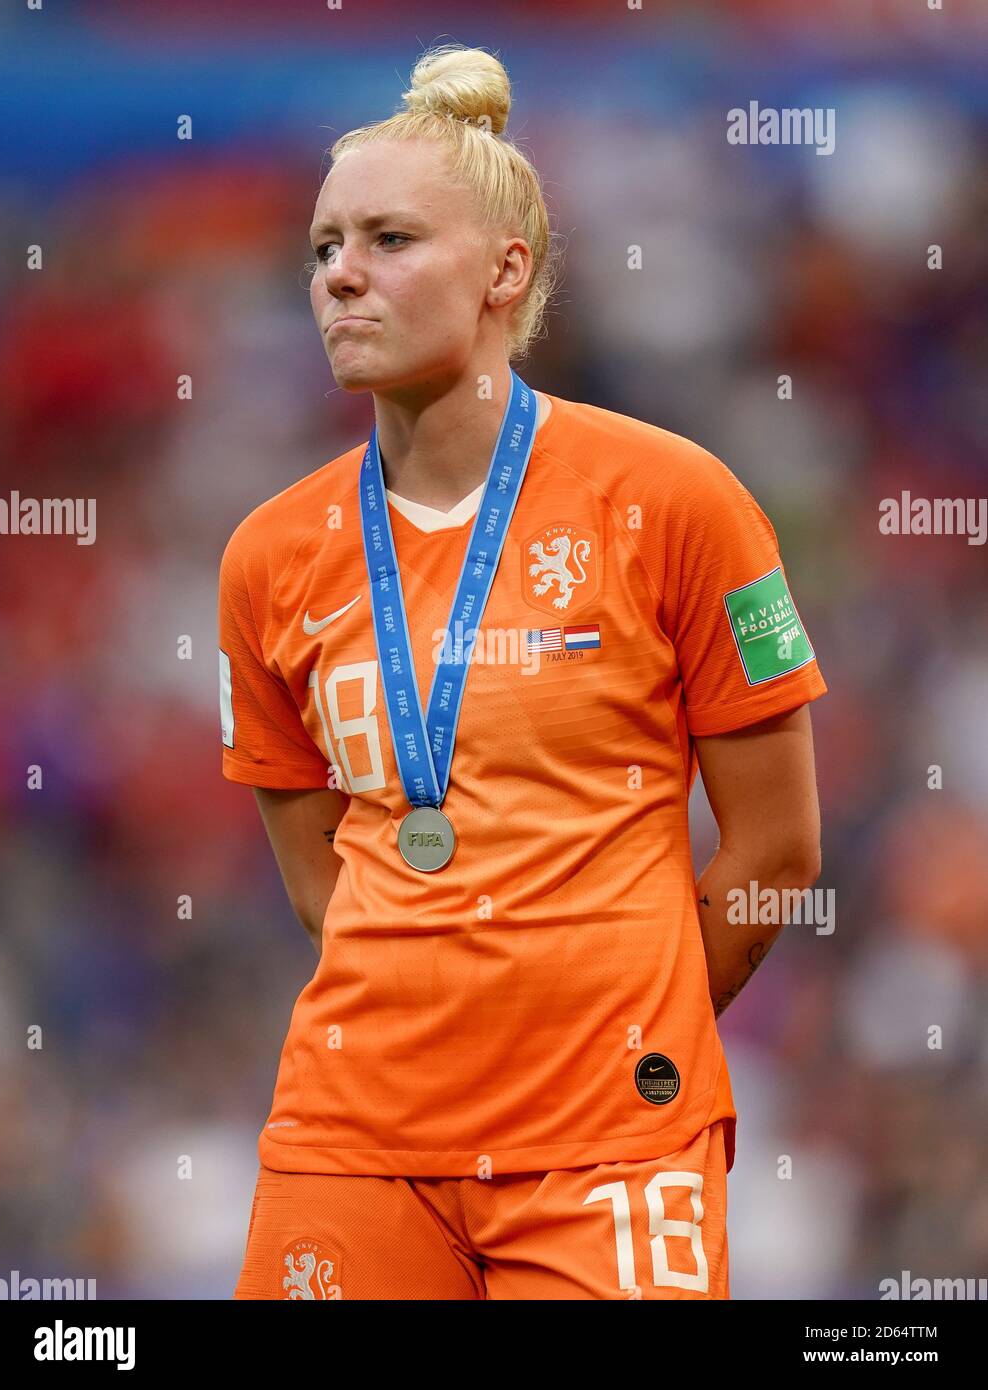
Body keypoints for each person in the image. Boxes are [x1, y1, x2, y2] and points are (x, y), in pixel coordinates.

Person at [218, 43, 825, 1301]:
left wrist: (624, 1027)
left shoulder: (677, 501)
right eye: (323, 246)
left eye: (388, 239)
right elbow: (321, 883)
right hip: (354, 1141)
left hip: (611, 1142)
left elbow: (775, 856)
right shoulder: (265, 558)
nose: (339, 274)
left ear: (505, 271)